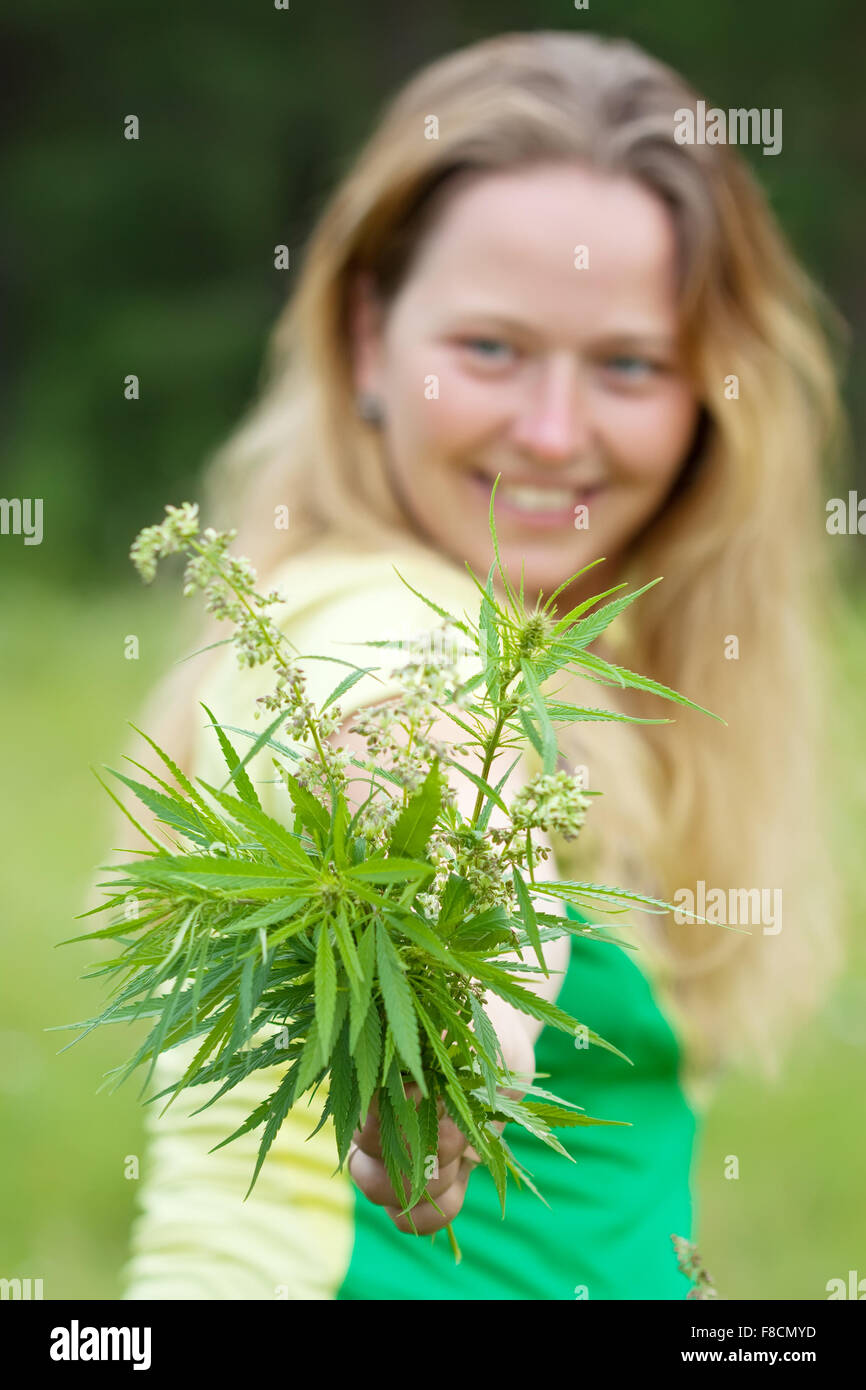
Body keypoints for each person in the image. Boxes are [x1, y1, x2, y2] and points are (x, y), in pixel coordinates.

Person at [117, 30, 847, 1300]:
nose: (552, 433)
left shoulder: (612, 669)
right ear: (365, 337)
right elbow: (412, 725)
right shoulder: (347, 616)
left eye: (626, 363)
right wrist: (470, 976)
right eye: (492, 349)